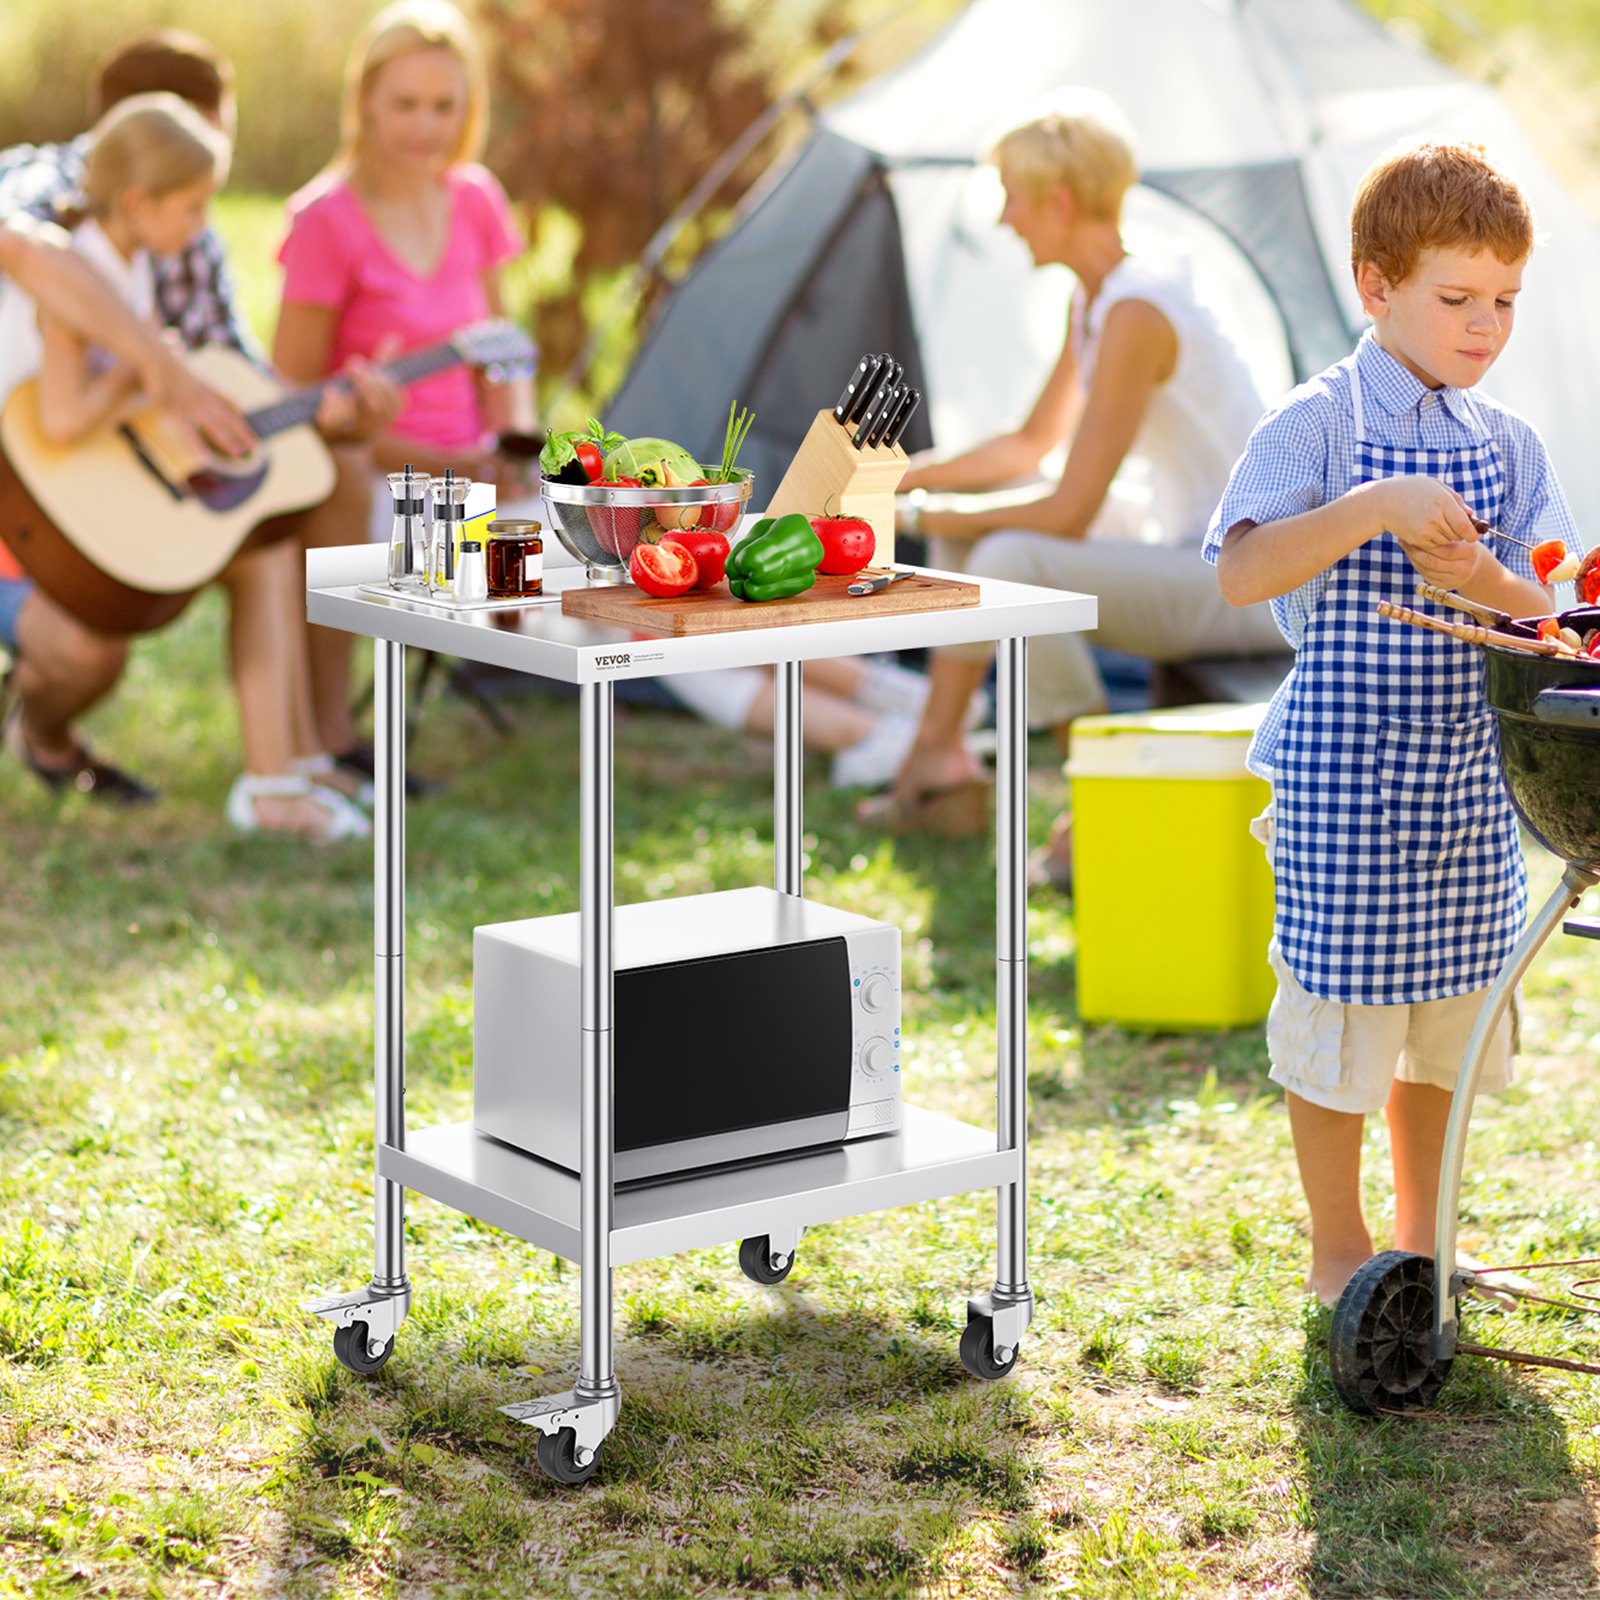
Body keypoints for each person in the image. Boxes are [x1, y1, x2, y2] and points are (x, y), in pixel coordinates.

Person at [1207, 139, 1575, 1306]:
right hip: (1343, 783)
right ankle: (1338, 1248)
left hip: (1466, 784)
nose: (1485, 327)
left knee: (1445, 1020)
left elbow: (1556, 615)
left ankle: (1423, 1237)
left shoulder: (1511, 446)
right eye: (1456, 298)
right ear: (1376, 285)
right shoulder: (1314, 422)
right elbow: (1238, 571)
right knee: (1341, 1026)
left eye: (1506, 301)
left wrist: (1486, 582)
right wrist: (1371, 507)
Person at [0, 30, 400, 822]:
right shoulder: (81, 258)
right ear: (143, 190)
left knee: (266, 545)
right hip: (38, 489)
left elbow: (231, 374)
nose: (204, 225)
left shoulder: (140, 254)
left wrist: (326, 411)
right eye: (193, 204)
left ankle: (283, 776)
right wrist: (149, 370)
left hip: (93, 472)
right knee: (93, 648)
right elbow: (66, 408)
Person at [871, 91, 1284, 839]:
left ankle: (1098, 809)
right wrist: (900, 475)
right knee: (974, 540)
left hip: (1251, 580)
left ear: (1057, 202)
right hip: (1184, 539)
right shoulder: (1099, 300)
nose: (1005, 219)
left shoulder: (1137, 315)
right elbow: (1029, 445)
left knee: (1009, 556)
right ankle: (936, 756)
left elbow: (1070, 511)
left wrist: (906, 516)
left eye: (1012, 199)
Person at [273, 0, 537, 758]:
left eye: (445, 106)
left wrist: (510, 447)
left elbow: (506, 351)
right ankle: (335, 734)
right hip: (377, 485)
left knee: (627, 546)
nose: (427, 125)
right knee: (502, 564)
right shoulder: (325, 221)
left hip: (481, 474)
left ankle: (861, 693)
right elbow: (289, 400)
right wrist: (448, 464)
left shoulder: (476, 198)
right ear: (364, 104)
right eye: (406, 105)